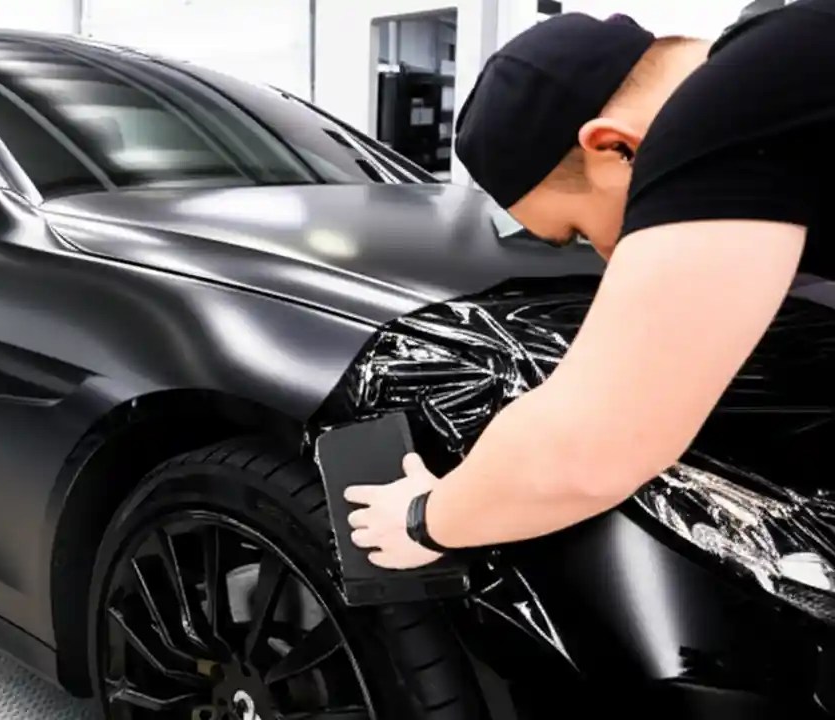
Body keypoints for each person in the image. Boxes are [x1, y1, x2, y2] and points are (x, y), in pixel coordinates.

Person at [344, 1, 835, 569]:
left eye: (579, 231)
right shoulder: (794, 66)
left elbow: (587, 453)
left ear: (612, 147)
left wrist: (423, 519)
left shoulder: (727, 110)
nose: (608, 257)